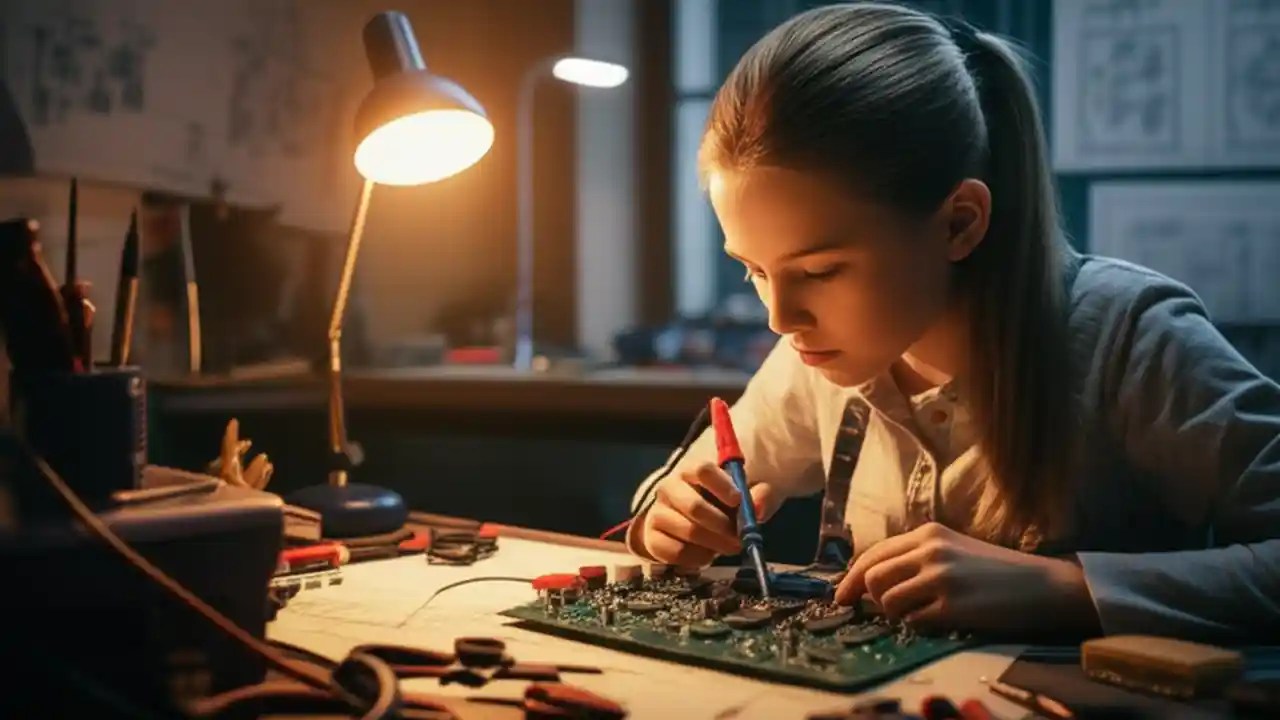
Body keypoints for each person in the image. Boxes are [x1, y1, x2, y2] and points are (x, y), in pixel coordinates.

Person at [626, 1, 1280, 643]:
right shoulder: (817, 358)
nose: (780, 318)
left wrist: (1064, 589)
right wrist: (670, 520)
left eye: (821, 271)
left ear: (959, 223)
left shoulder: (1132, 341)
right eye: (754, 270)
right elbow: (678, 495)